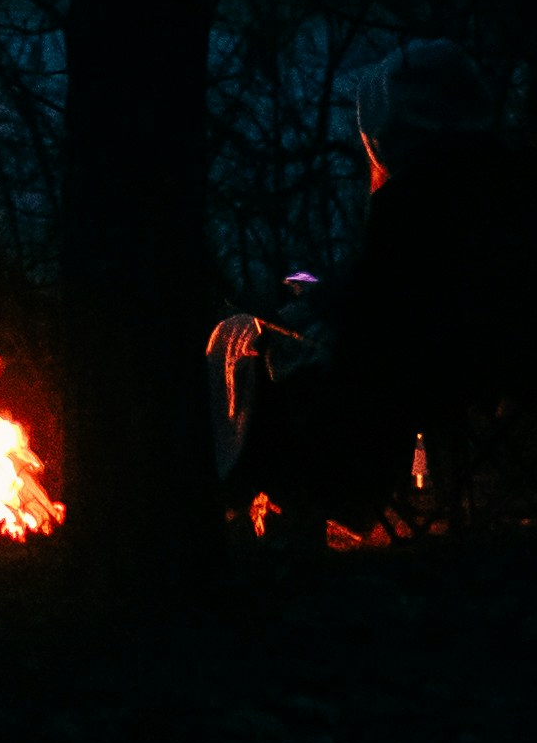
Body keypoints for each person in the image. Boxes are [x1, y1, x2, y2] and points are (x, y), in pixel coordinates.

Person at [213, 40, 518, 535]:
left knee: (259, 351)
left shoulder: (415, 199)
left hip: (425, 365)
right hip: (495, 352)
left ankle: (278, 506)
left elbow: (380, 305)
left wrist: (317, 310)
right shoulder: (505, 182)